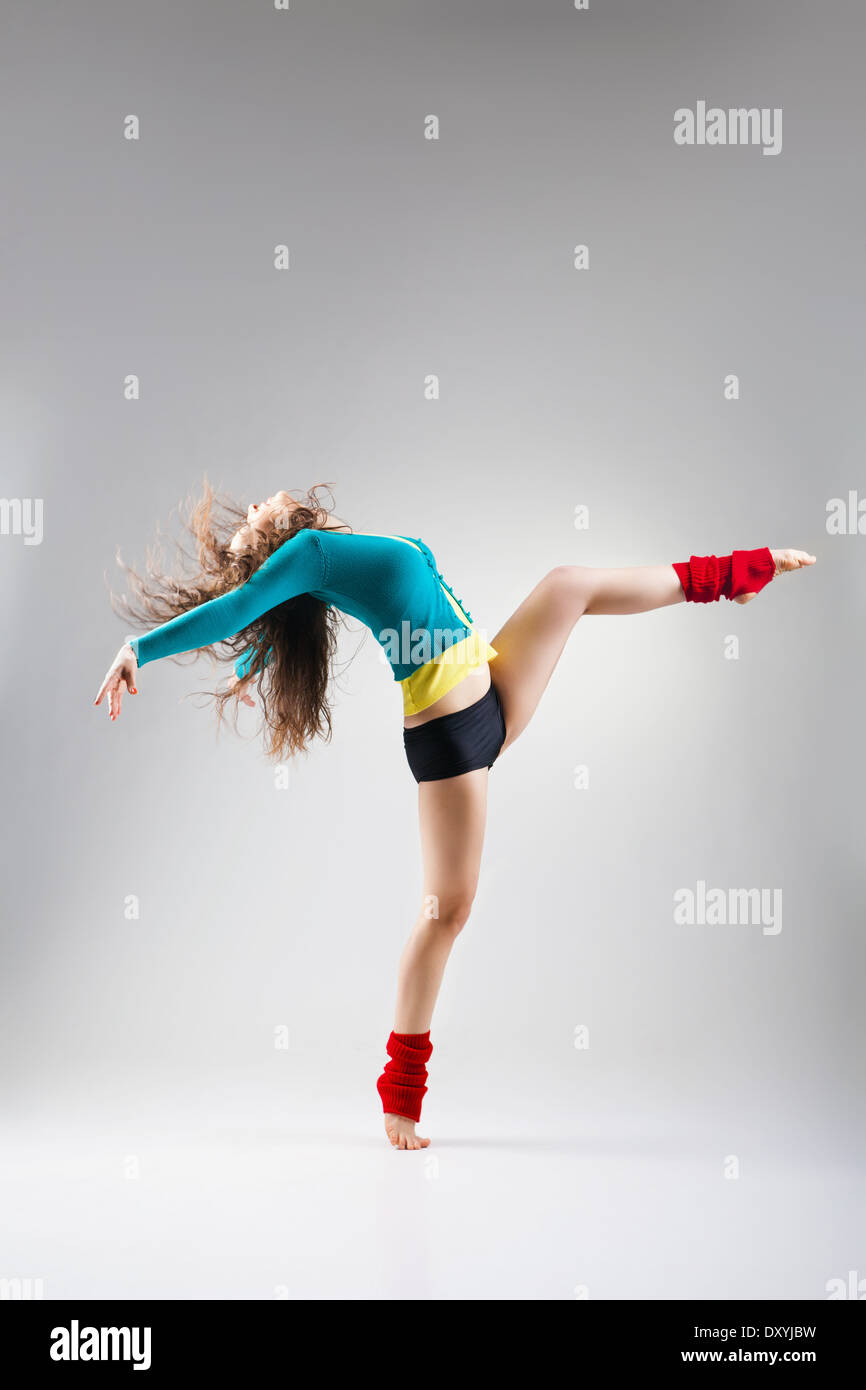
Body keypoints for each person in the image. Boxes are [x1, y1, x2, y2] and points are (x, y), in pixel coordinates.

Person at [94, 483, 816, 1149]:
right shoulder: (308, 553)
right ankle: (401, 1099)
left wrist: (250, 669)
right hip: (450, 735)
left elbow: (279, 613)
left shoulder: (340, 547)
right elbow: (238, 607)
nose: (256, 505)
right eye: (253, 520)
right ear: (273, 538)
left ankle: (735, 577)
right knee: (447, 910)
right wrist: (141, 649)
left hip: (494, 690)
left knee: (569, 584)